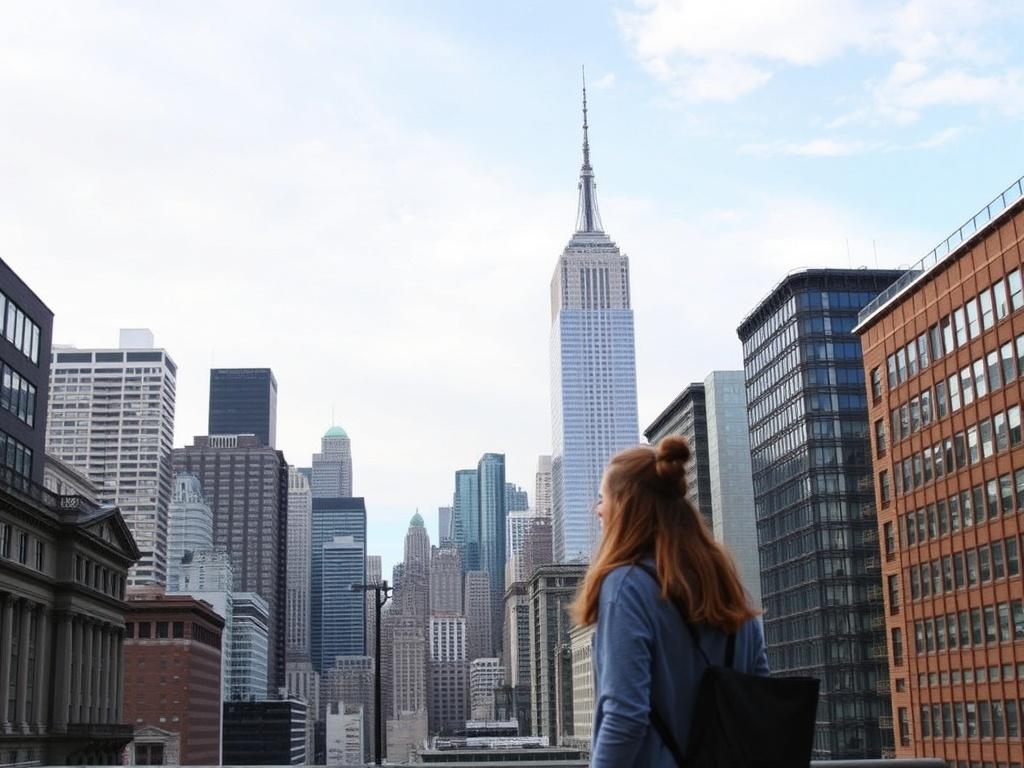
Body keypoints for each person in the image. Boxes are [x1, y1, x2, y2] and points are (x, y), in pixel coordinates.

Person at [571, 435, 769, 767]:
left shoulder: (625, 587)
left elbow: (625, 717)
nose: (598, 510)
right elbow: (760, 695)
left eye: (602, 498)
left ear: (625, 506)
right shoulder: (727, 586)